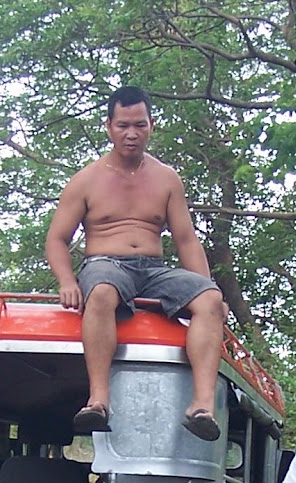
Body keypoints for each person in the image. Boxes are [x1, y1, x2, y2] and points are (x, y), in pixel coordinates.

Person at [45, 84, 229, 442]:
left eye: (139, 125)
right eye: (124, 125)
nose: (132, 134)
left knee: (208, 300)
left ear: (151, 126)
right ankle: (98, 399)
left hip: (154, 269)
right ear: (109, 126)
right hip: (105, 264)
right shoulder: (86, 180)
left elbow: (186, 240)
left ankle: (201, 406)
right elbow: (56, 239)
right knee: (99, 291)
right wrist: (67, 280)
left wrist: (211, 289)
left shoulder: (166, 178)